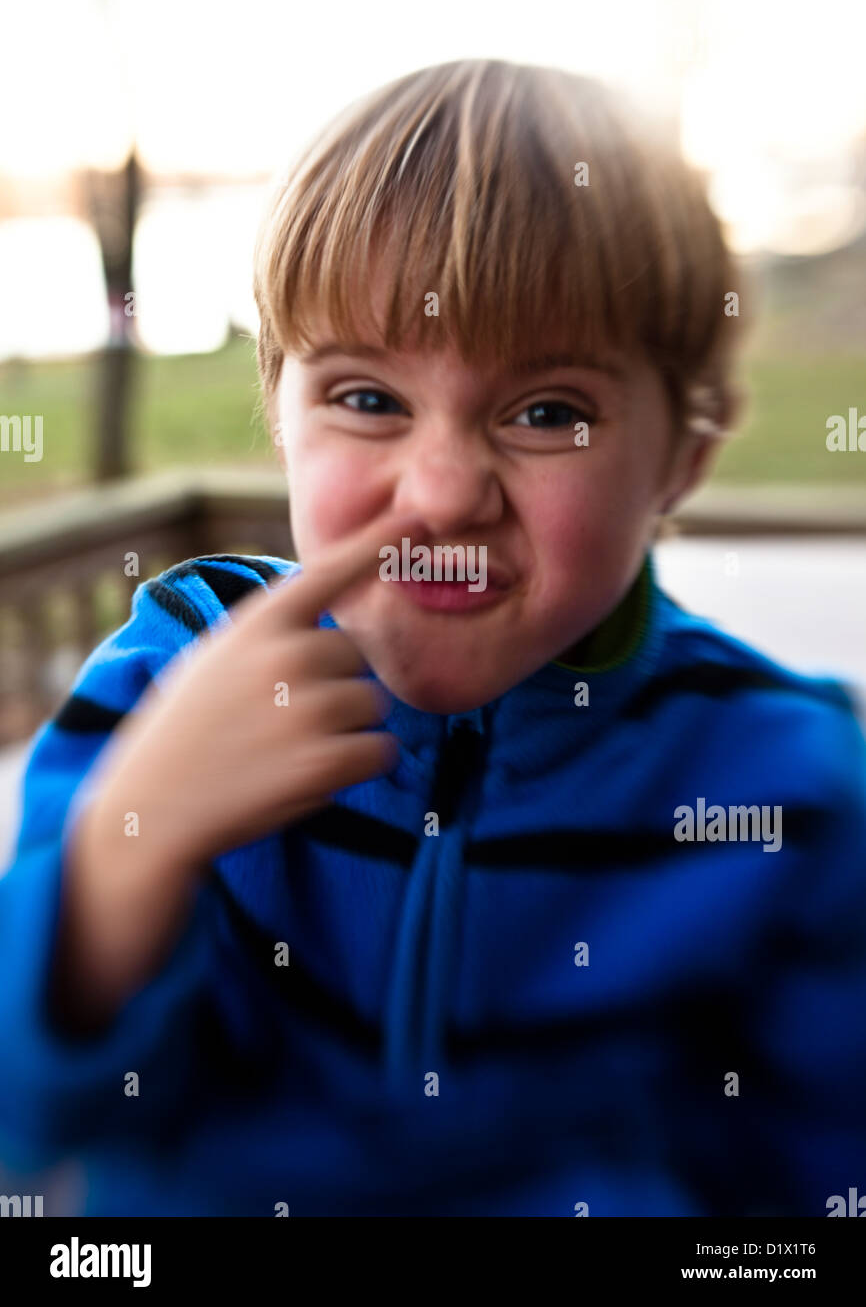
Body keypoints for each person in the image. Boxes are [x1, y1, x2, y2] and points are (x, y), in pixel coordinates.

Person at [2, 59, 865, 1216]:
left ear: (679, 460)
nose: (445, 491)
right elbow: (31, 1119)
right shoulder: (174, 675)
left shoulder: (784, 784)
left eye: (548, 412)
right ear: (280, 415)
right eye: (366, 399)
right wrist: (124, 849)